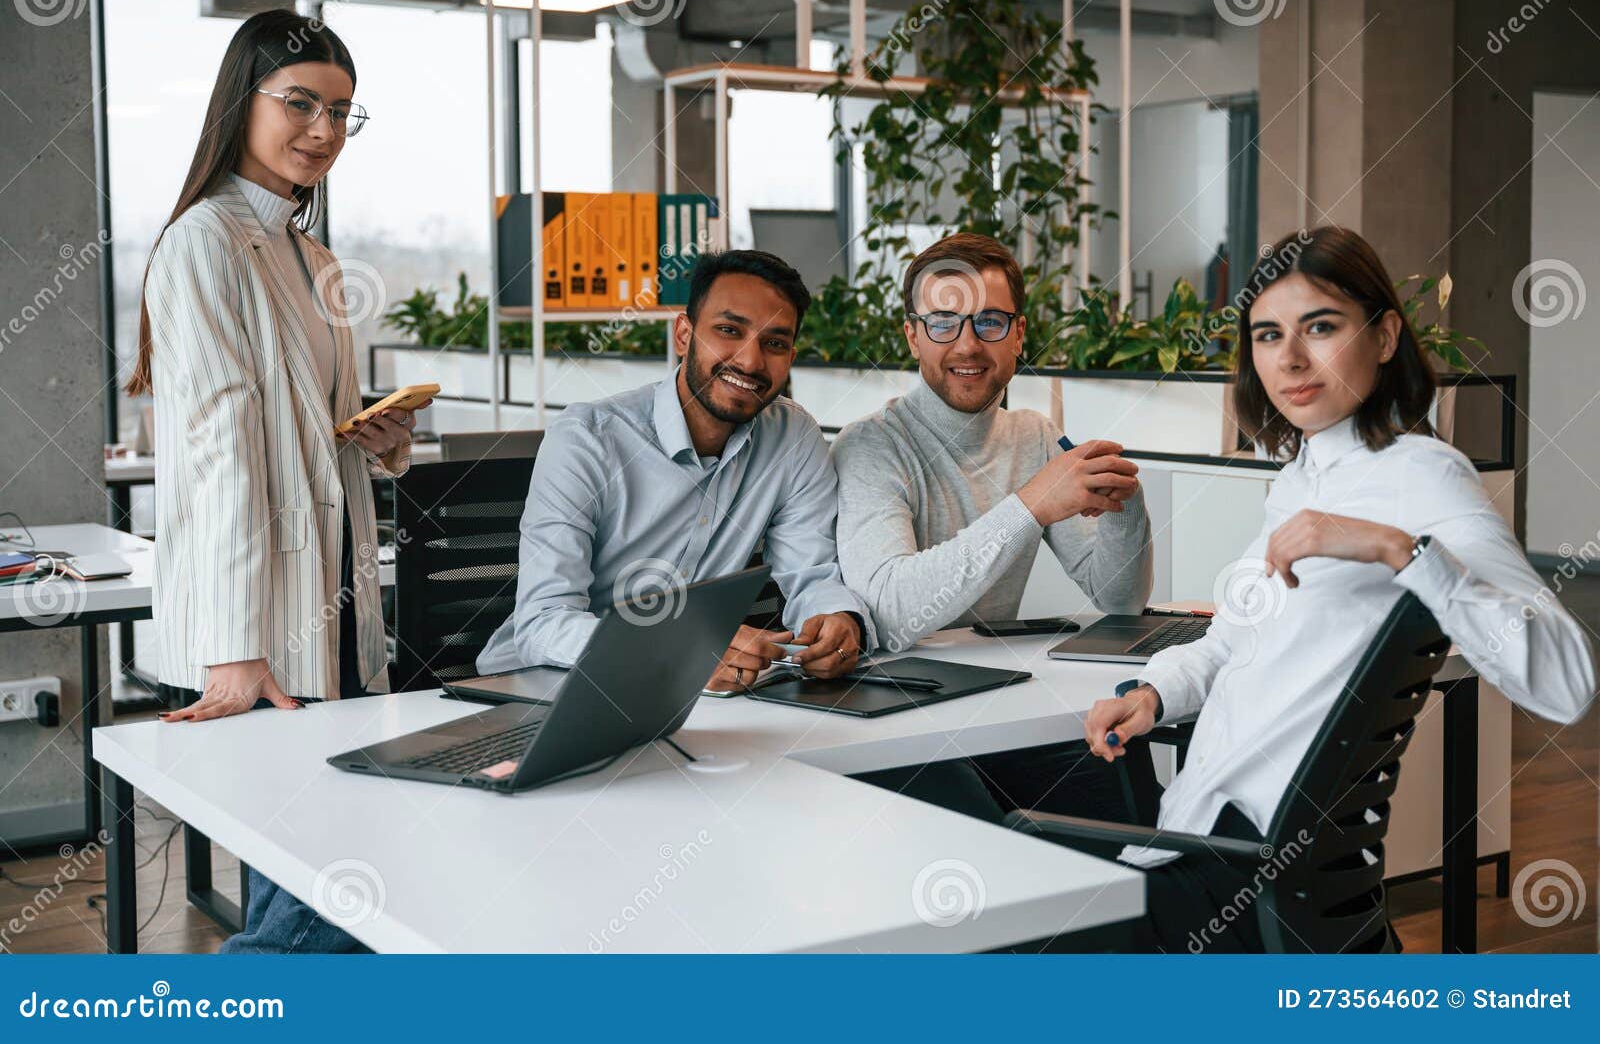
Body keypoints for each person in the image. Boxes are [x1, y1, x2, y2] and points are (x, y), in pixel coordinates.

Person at [1071, 225, 1595, 952]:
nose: (1289, 358)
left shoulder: (1423, 475)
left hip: (1238, 875)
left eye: (1319, 327)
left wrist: (1398, 549)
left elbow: (1568, 684)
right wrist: (1153, 692)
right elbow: (1231, 640)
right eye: (1266, 334)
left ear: (1384, 337)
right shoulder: (1300, 481)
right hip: (1202, 844)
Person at [127, 10, 419, 953]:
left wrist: (379, 436)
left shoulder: (317, 258)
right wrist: (233, 646)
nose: (324, 131)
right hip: (260, 627)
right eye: (301, 104)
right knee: (313, 901)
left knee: (325, 874)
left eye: (342, 112)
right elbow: (218, 454)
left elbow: (307, 432)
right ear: (240, 102)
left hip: (334, 612)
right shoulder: (204, 242)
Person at [831, 233, 1152, 821]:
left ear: (1019, 333)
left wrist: (1123, 504)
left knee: (1126, 788)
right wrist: (1032, 504)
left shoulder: (1033, 436)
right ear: (912, 336)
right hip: (901, 723)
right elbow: (889, 610)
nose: (968, 345)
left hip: (1000, 708)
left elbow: (1121, 598)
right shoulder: (870, 446)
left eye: (990, 322)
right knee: (997, 836)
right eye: (943, 323)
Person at [476, 249, 874, 688]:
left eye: (774, 343)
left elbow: (811, 573)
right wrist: (682, 650)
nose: (750, 361)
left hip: (689, 696)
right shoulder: (587, 438)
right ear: (683, 335)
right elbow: (543, 623)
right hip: (542, 686)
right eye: (728, 330)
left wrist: (836, 619)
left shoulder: (793, 436)